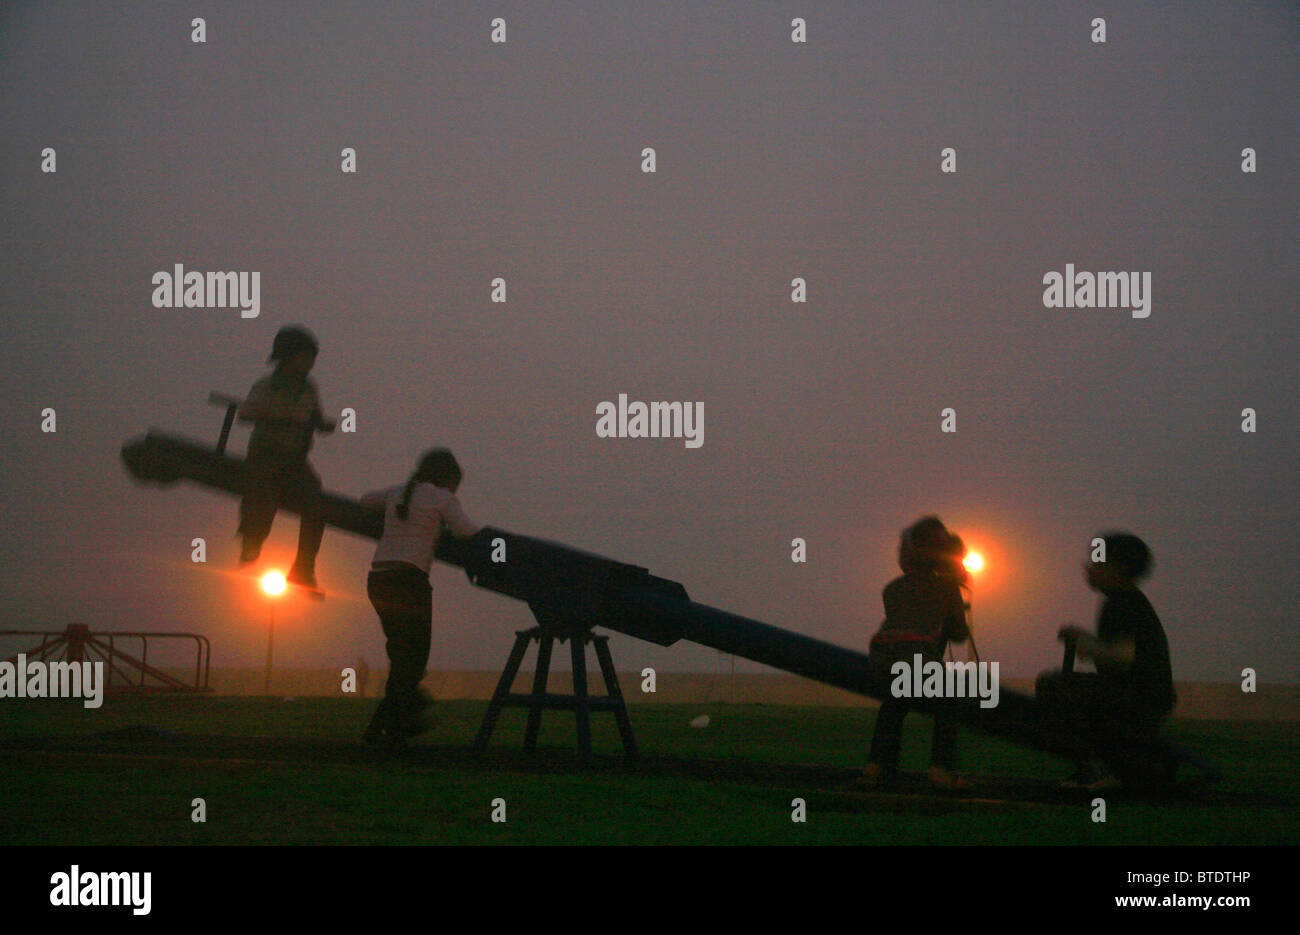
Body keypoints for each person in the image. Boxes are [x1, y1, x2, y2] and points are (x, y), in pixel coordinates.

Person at [359, 448, 481, 748]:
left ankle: (395, 726)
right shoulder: (442, 499)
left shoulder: (398, 492)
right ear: (448, 480)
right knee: (413, 660)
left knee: (403, 657)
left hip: (379, 579)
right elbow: (466, 531)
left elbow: (364, 501)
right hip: (410, 582)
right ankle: (393, 721)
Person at [1035, 532, 1175, 791]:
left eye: (1098, 562)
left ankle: (1102, 768)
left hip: (1139, 696)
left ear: (1117, 569)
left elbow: (1122, 657)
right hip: (1148, 694)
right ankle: (1109, 765)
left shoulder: (1122, 603)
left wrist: (1083, 642)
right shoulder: (1126, 601)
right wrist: (1085, 640)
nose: (1089, 569)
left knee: (1055, 687)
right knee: (1061, 686)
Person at [862, 517, 972, 789]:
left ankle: (876, 767)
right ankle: (941, 770)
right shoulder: (946, 589)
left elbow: (908, 620)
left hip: (882, 659)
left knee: (895, 702)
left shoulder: (892, 589)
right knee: (949, 700)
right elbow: (958, 635)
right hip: (916, 660)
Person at [236, 326, 334, 597]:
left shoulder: (309, 389)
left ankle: (303, 568)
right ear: (288, 357)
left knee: (316, 502)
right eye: (305, 357)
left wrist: (322, 424)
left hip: (294, 457)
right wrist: (277, 419)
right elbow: (246, 413)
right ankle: (252, 540)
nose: (310, 364)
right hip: (266, 453)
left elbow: (314, 415)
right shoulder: (267, 386)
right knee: (262, 492)